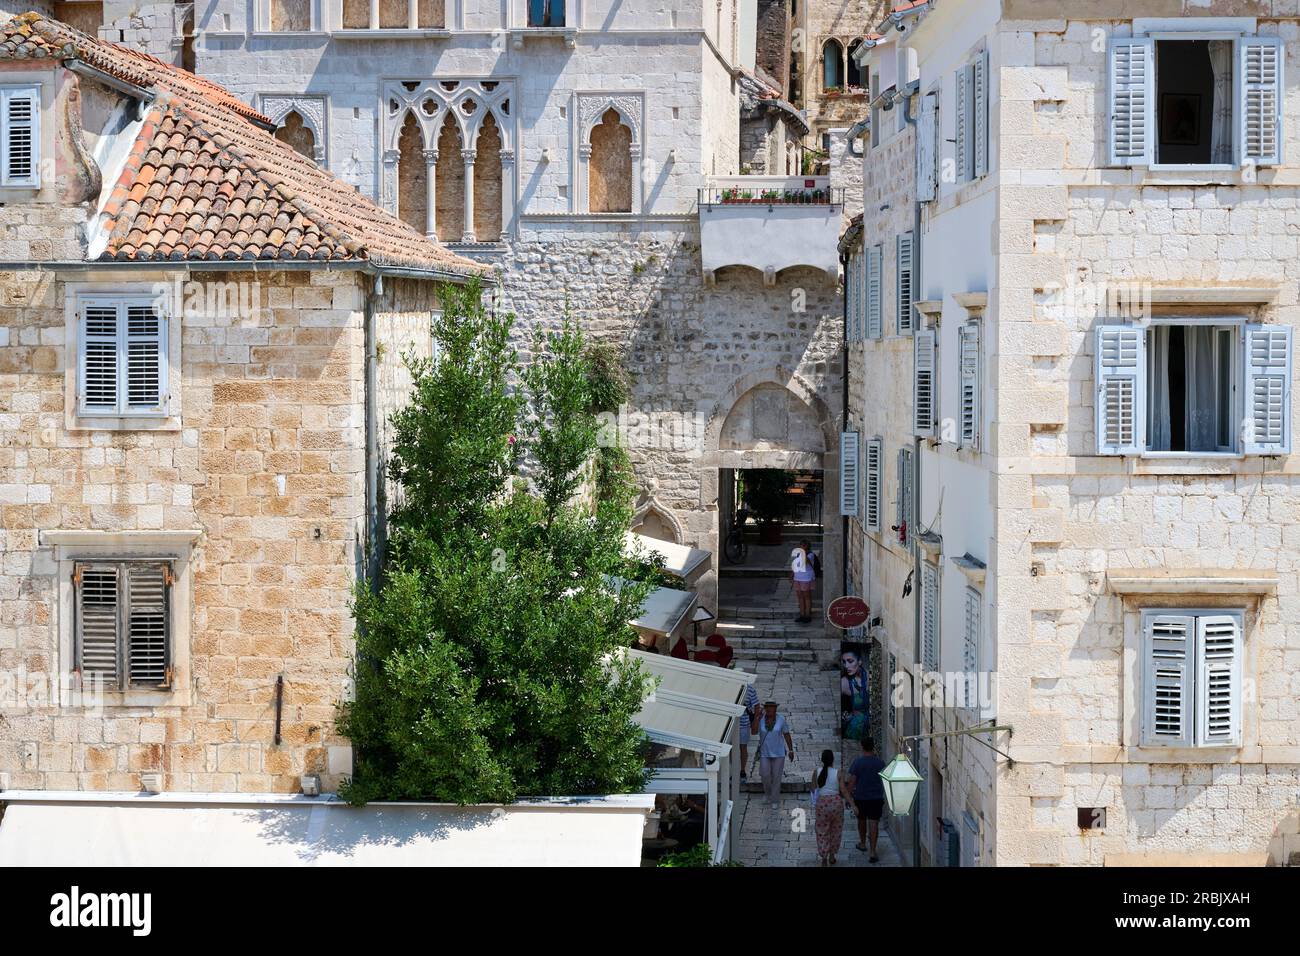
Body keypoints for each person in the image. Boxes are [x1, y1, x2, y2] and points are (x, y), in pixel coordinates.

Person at [844, 736, 887, 862]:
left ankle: (863, 843)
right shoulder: (880, 763)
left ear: (862, 747)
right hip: (876, 797)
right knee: (874, 823)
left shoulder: (857, 762)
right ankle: (873, 851)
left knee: (861, 820)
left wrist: (849, 798)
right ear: (873, 746)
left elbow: (852, 782)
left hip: (861, 797)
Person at [756, 701, 795, 807]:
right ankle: (767, 793)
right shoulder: (761, 720)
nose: (768, 709)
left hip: (778, 753)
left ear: (775, 709)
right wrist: (757, 718)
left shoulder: (781, 720)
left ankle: (774, 799)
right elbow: (754, 731)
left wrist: (791, 750)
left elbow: (786, 734)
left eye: (771, 707)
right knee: (765, 775)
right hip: (765, 752)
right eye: (767, 707)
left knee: (776, 776)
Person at [810, 749, 844, 866]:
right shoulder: (838, 772)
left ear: (822, 760)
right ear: (833, 760)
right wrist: (852, 803)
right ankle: (832, 856)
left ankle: (824, 858)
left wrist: (815, 803)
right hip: (836, 804)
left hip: (822, 804)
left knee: (822, 831)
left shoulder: (817, 772)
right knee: (835, 830)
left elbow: (813, 789)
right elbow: (843, 790)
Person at [840, 647, 869, 741]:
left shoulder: (869, 677)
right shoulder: (844, 682)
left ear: (859, 661)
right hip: (856, 729)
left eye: (850, 661)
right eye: (844, 662)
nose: (846, 666)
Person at [790, 539, 817, 623]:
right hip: (798, 577)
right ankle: (802, 614)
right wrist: (792, 574)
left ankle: (808, 615)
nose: (801, 547)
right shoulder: (798, 554)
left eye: (803, 545)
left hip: (806, 578)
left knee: (807, 597)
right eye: (801, 545)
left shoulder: (811, 555)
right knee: (800, 597)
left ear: (807, 546)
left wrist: (803, 552)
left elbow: (805, 563)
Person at [738, 681, 760, 780]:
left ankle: (742, 769)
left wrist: (755, 721)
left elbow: (756, 705)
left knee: (743, 747)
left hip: (744, 724)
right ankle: (732, 768)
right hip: (730, 724)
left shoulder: (750, 689)